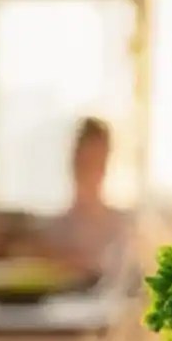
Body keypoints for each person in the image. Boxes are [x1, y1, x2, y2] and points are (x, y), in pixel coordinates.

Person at [40, 117, 130, 284]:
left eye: (96, 161)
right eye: (85, 162)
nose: (90, 171)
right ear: (74, 163)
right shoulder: (54, 231)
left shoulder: (124, 227)